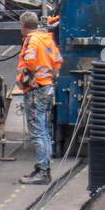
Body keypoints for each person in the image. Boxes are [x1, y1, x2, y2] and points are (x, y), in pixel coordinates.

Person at [15, 10, 61, 185]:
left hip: (36, 90)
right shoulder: (46, 38)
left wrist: (30, 78)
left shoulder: (31, 40)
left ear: (23, 25)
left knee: (37, 131)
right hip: (47, 87)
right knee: (44, 130)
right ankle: (44, 166)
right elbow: (57, 60)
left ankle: (43, 172)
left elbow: (30, 60)